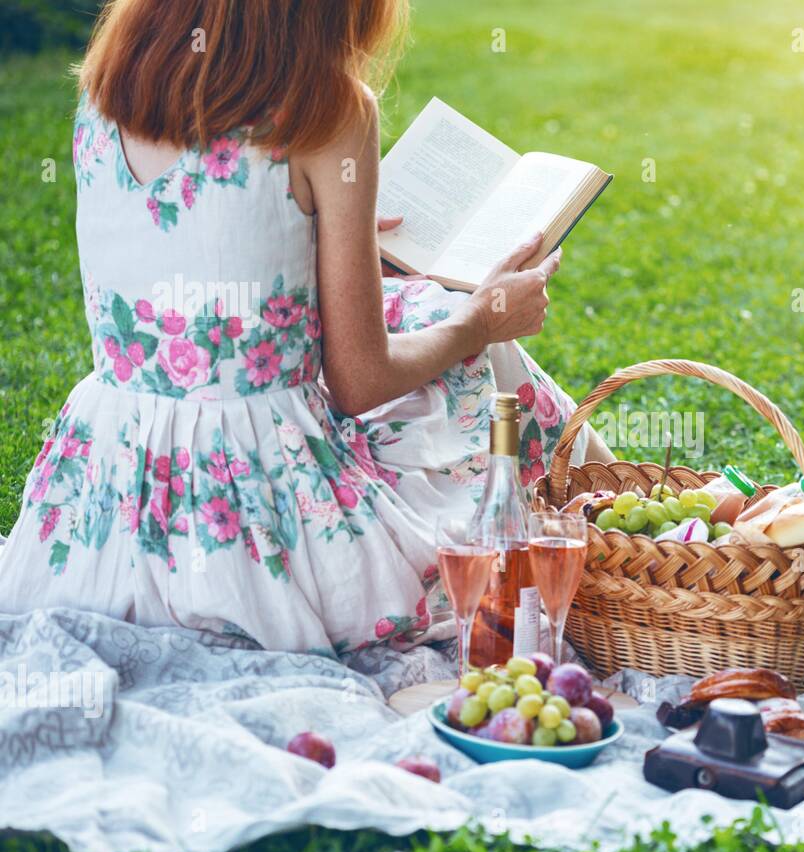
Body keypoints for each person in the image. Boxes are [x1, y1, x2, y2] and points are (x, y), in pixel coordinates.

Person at [0, 0, 611, 655]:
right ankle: (620, 509)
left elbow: (200, 264)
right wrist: (485, 319)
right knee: (461, 329)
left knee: (418, 304)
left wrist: (317, 241)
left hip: (108, 502)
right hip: (260, 506)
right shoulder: (327, 110)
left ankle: (622, 497)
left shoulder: (105, 88)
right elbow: (359, 382)